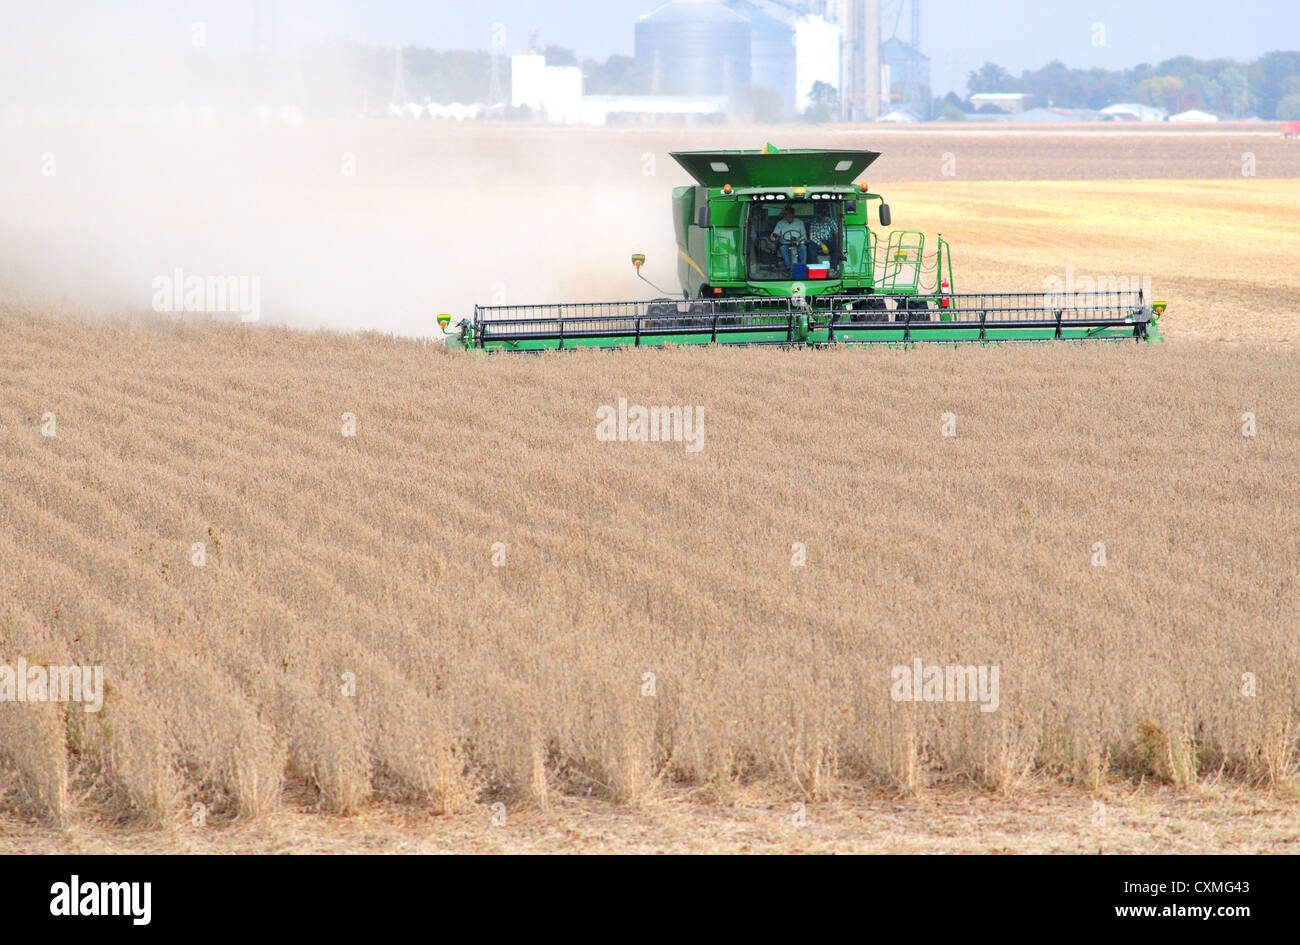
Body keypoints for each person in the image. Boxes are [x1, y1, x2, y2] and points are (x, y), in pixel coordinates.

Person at [770, 206, 808, 272]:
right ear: (784, 215)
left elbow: (804, 236)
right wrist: (774, 236)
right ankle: (789, 268)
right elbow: (774, 234)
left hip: (798, 244)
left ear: (793, 214)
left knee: (803, 248)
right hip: (786, 244)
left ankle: (803, 267)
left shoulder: (799, 222)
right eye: (787, 215)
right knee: (782, 248)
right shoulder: (780, 223)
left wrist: (798, 240)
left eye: (790, 214)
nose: (789, 216)